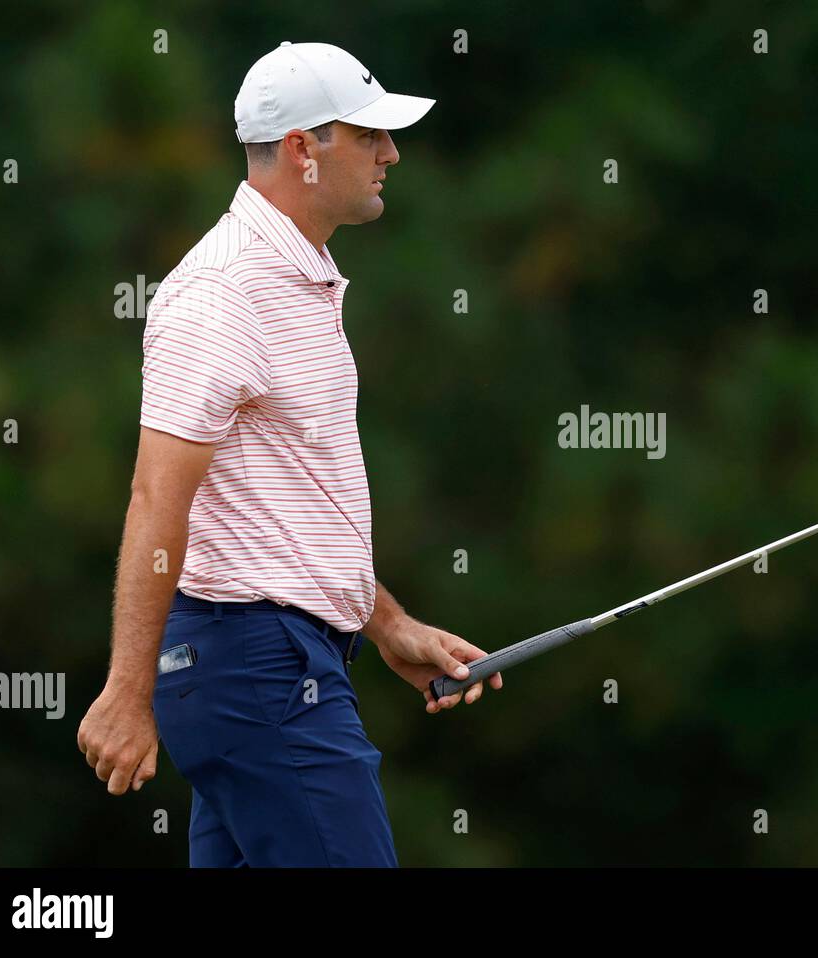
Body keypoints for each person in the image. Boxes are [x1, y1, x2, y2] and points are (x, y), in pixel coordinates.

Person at [76, 41, 501, 867]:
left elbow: (284, 510)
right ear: (305, 149)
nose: (392, 153)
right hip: (256, 672)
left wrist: (389, 625)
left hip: (269, 666)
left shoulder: (299, 276)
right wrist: (128, 691)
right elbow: (156, 501)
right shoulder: (223, 293)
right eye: (369, 135)